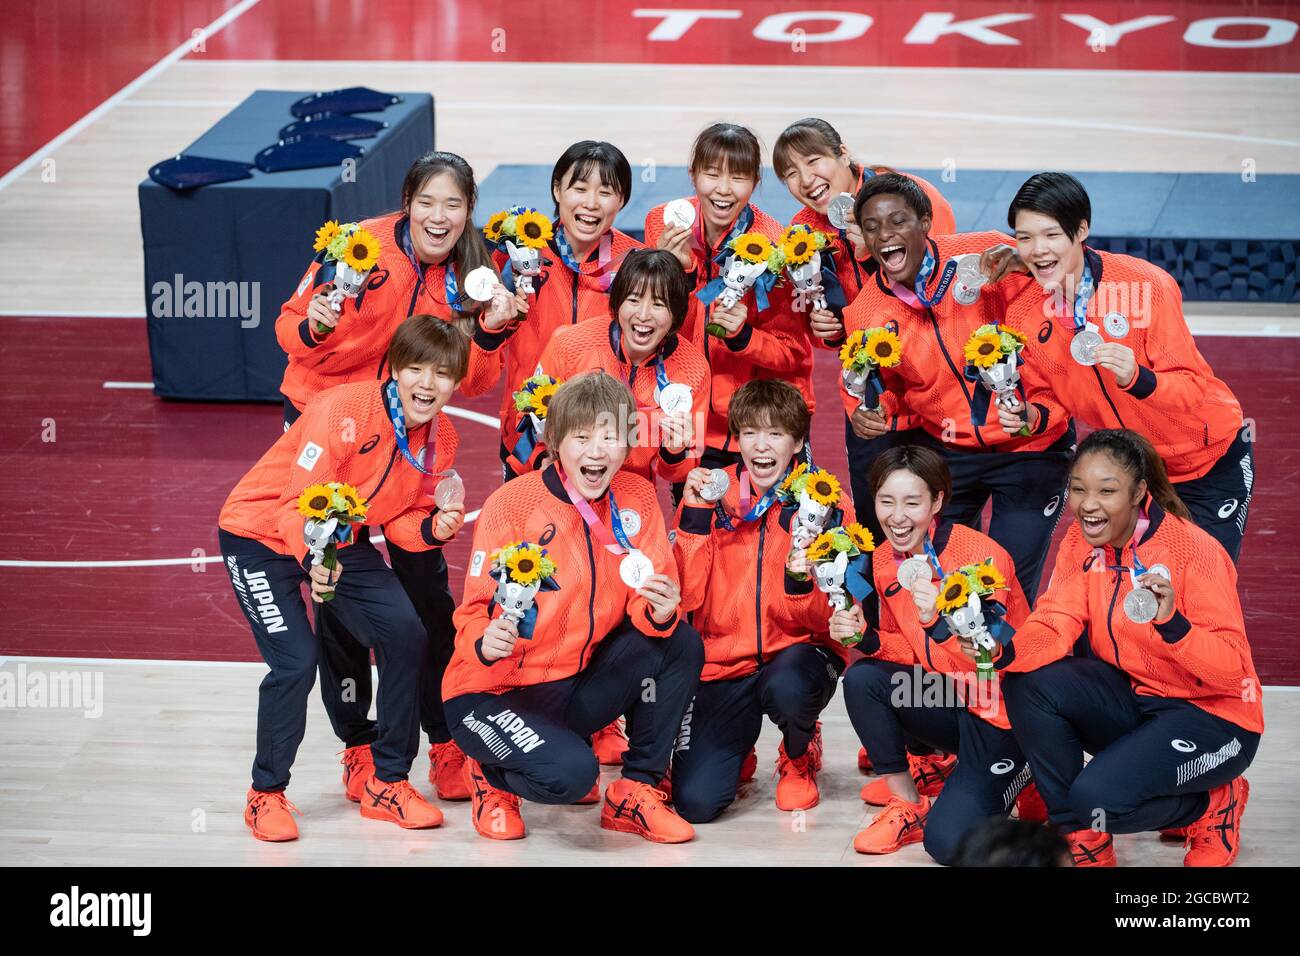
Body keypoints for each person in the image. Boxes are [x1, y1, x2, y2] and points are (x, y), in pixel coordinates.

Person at [274, 152, 517, 802]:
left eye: (454, 204)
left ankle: (443, 743)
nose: (439, 216)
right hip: (330, 431)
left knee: (429, 597)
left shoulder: (476, 273)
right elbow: (287, 328)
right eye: (427, 201)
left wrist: (490, 337)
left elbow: (480, 379)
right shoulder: (357, 248)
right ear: (407, 200)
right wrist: (316, 324)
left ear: (469, 210)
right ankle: (358, 747)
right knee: (341, 598)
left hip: (411, 435)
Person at [218, 316, 469, 840]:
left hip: (338, 541)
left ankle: (387, 781)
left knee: (406, 633)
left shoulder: (441, 438)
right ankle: (265, 794)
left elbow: (399, 521)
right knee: (296, 661)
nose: (427, 384)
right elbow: (295, 503)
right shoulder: (343, 409)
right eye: (416, 369)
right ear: (396, 368)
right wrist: (316, 562)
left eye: (442, 374)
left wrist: (431, 525)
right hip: (262, 536)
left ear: (457, 381)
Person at [442, 372, 704, 844]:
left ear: (628, 444)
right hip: (493, 690)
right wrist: (485, 640)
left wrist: (660, 612)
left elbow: (645, 602)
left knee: (679, 642)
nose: (597, 451)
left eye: (610, 436)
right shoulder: (512, 505)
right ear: (556, 441)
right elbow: (473, 610)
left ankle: (636, 791)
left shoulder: (638, 497)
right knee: (572, 777)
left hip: (572, 685)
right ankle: (490, 773)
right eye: (582, 436)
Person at [1001, 429, 1263, 867]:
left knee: (1097, 798)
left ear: (1140, 492)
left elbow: (1232, 673)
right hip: (1139, 699)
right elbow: (1054, 621)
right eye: (1079, 488)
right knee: (1029, 683)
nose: (1088, 504)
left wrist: (1175, 626)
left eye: (1107, 491)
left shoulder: (1195, 552)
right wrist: (1002, 652)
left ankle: (1215, 803)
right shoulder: (1079, 544)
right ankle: (1081, 837)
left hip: (1213, 717)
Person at [843, 173, 1073, 602]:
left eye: (898, 221)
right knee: (952, 584)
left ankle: (1006, 668)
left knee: (1005, 591)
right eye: (872, 227)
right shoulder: (864, 313)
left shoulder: (985, 254)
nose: (885, 235)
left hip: (1031, 449)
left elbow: (1064, 305)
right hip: (950, 456)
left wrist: (1029, 263)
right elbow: (887, 391)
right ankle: (956, 670)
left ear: (926, 221)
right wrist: (874, 413)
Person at [1002, 172, 1254, 561]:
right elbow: (1048, 401)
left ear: (1081, 229)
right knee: (1136, 592)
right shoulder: (1023, 314)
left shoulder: (1146, 286)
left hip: (1209, 461)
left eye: (1051, 235)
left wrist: (1139, 378)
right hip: (1136, 474)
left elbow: (1192, 387)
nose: (1037, 250)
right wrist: (1030, 415)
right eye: (1024, 238)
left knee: (1205, 587)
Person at [839, 445, 1039, 864]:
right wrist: (865, 638)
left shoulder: (981, 560)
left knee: (948, 845)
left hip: (1002, 712)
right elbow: (908, 654)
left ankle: (1028, 769)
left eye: (912, 503)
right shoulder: (883, 562)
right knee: (864, 679)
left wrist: (939, 625)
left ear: (937, 502)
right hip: (948, 701)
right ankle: (908, 804)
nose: (897, 517)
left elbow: (995, 656)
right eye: (886, 501)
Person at [669, 380, 851, 821]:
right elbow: (687, 595)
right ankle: (736, 749)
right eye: (750, 432)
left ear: (799, 441)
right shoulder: (710, 494)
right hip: (723, 661)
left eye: (775, 434)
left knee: (787, 687)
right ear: (736, 439)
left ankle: (798, 748)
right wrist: (693, 519)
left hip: (797, 652)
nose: (761, 445)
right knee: (695, 803)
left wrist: (799, 578)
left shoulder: (825, 503)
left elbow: (832, 617)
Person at [773, 117, 956, 546]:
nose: (806, 180)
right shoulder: (803, 231)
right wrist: (826, 331)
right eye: (790, 175)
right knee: (878, 527)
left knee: (943, 527)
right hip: (870, 401)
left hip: (937, 387)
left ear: (843, 152)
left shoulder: (911, 196)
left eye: (814, 161)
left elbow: (943, 293)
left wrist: (875, 256)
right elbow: (829, 326)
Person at [643, 123, 811, 475]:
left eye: (738, 177)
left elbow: (792, 353)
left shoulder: (777, 247)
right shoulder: (664, 224)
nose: (723, 190)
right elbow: (653, 327)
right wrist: (678, 278)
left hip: (760, 428)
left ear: (755, 181)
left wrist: (744, 338)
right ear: (693, 175)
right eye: (711, 173)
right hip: (691, 418)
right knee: (697, 526)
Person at [494, 141, 644, 485]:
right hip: (528, 435)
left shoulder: (635, 264)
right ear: (557, 189)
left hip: (606, 445)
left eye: (606, 192)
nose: (591, 203)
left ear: (621, 201)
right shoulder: (519, 253)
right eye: (579, 188)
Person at [529, 249, 709, 485]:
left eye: (658, 304)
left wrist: (675, 451)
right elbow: (530, 425)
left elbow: (678, 474)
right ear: (617, 303)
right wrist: (542, 460)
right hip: (566, 484)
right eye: (633, 300)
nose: (643, 315)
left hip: (632, 499)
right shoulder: (571, 344)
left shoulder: (693, 370)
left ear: (676, 313)